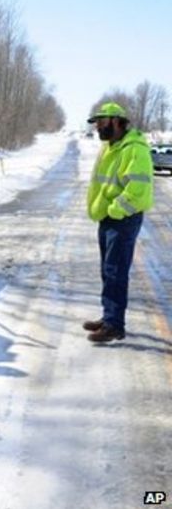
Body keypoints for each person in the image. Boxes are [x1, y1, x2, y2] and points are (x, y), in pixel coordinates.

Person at [83, 101, 154, 342]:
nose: (98, 128)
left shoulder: (134, 149)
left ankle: (114, 325)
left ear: (115, 121)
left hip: (123, 219)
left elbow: (138, 190)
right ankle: (109, 317)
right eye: (96, 124)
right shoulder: (110, 147)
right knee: (108, 270)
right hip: (108, 219)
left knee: (115, 271)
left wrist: (115, 209)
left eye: (101, 123)